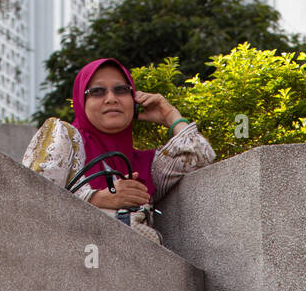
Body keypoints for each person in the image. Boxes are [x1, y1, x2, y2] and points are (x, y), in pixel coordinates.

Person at [22, 57, 215, 244]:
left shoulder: (145, 164)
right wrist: (99, 198)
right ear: (82, 101)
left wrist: (170, 116)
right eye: (97, 91)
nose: (111, 99)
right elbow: (29, 199)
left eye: (121, 90)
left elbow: (199, 156)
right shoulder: (63, 135)